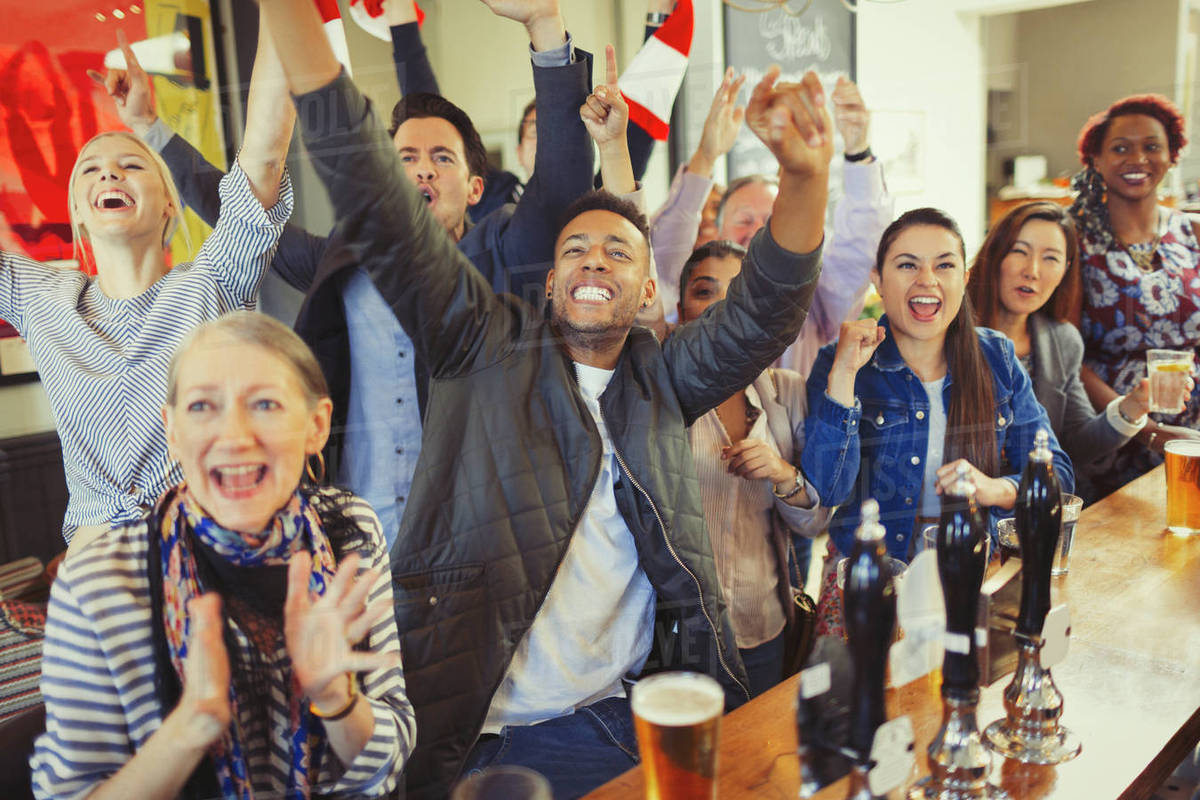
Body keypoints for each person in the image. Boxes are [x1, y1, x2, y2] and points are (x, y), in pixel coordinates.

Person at [260, 0, 833, 793]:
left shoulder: (663, 378)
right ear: (549, 276)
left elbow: (769, 305)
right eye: (575, 247)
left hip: (619, 722)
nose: (594, 259)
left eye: (618, 251)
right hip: (474, 731)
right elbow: (374, 192)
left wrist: (805, 176)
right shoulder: (480, 344)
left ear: (645, 292)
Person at [110, 0, 596, 547]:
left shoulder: (503, 253)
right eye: (405, 157)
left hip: (475, 547)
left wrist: (545, 27)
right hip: (353, 544)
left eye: (442, 157)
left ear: (475, 189)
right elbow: (236, 213)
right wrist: (151, 129)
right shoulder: (339, 261)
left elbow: (562, 181)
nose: (422, 168)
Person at [30, 311, 416, 799]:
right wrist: (191, 724)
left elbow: (393, 751)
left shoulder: (349, 531)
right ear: (172, 432)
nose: (234, 436)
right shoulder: (97, 583)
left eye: (265, 404)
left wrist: (336, 699)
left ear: (316, 426)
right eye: (201, 407)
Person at [3, 27, 292, 548]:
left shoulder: (212, 284)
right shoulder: (43, 299)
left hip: (208, 553)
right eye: (90, 170)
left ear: (167, 204)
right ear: (78, 215)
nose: (108, 174)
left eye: (131, 164)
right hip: (97, 573)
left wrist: (286, 15)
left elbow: (265, 153)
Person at [802, 208, 1073, 588]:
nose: (927, 279)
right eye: (907, 265)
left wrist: (994, 488)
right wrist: (844, 377)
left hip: (975, 575)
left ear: (963, 280)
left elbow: (1058, 476)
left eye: (944, 266)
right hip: (872, 580)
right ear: (878, 280)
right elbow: (826, 490)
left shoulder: (998, 358)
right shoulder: (840, 361)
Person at [651, 75, 893, 372]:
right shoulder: (696, 290)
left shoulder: (816, 299)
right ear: (717, 229)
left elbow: (860, 246)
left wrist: (858, 150)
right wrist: (706, 155)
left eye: (770, 222)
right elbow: (660, 258)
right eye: (744, 220)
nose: (756, 233)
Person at [675, 240, 830, 697]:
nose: (722, 309)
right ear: (681, 307)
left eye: (738, 296)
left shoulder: (787, 393)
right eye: (705, 291)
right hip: (670, 631)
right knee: (677, 758)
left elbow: (815, 523)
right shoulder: (657, 390)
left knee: (758, 757)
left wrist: (784, 474)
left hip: (762, 622)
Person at [383, 0, 673, 219]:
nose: (548, 139)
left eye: (551, 129)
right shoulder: (490, 193)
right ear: (519, 150)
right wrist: (401, 20)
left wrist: (660, 19)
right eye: (536, 131)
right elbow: (431, 123)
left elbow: (637, 136)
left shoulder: (596, 196)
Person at [967, 201, 1156, 499]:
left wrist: (1131, 409)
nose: (1032, 271)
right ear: (995, 254)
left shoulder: (1062, 340)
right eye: (1019, 251)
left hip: (1027, 505)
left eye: (1050, 258)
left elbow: (1075, 444)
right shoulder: (949, 329)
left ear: (1065, 270)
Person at [1069, 94, 1200, 497]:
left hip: (1191, 428)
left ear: (1173, 155)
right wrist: (1147, 429)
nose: (1137, 158)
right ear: (1095, 158)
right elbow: (1067, 356)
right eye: (1121, 148)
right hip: (1114, 431)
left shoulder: (1193, 232)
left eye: (1152, 146)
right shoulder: (1073, 240)